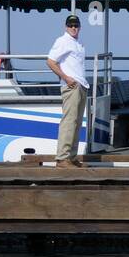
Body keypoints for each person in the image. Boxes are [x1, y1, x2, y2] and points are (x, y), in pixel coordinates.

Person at [46, 14, 88, 166]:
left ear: (80, 27)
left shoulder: (78, 43)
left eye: (76, 25)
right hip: (71, 86)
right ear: (66, 27)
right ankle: (62, 158)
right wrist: (66, 77)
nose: (73, 28)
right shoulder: (63, 41)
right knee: (69, 122)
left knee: (76, 123)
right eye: (70, 25)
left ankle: (71, 157)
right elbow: (50, 61)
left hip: (81, 85)